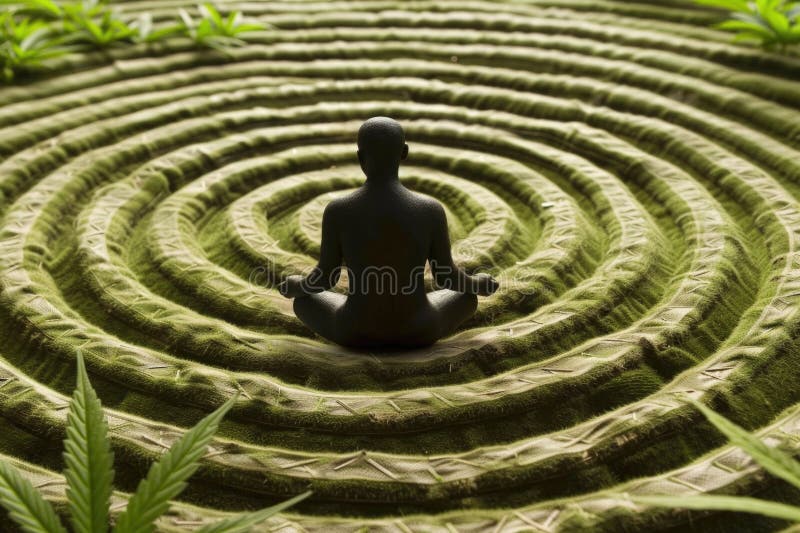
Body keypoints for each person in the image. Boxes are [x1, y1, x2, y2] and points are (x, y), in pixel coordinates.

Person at [278, 116, 499, 348]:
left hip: (353, 330)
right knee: (467, 298)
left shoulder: (338, 211)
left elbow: (325, 277)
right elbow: (446, 277)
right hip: (420, 329)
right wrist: (478, 284)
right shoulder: (431, 210)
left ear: (360, 156)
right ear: (404, 152)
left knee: (303, 303)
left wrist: (297, 286)